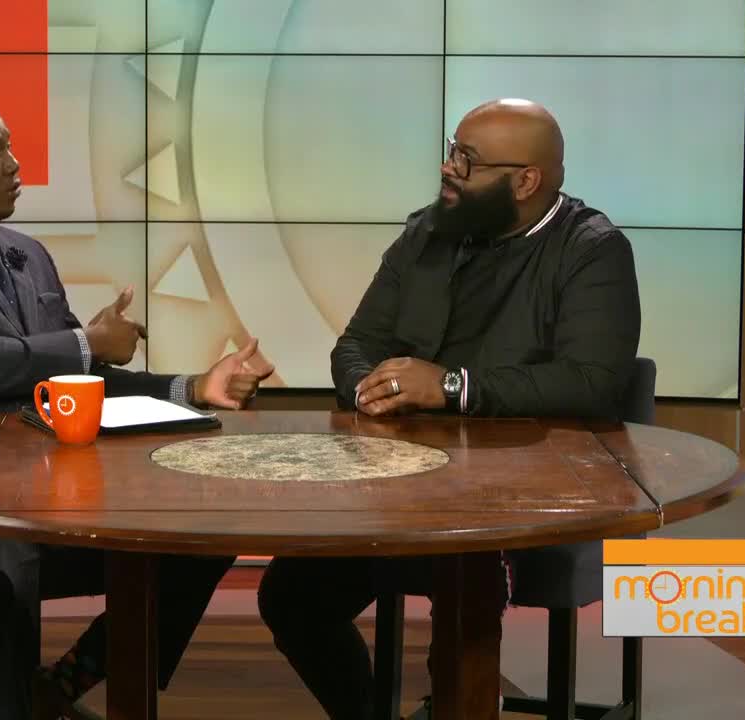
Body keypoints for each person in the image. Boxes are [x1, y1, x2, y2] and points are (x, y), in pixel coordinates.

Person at [0, 96, 274, 720]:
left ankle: (64, 684)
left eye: (10, 148)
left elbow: (78, 380)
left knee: (200, 539)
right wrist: (86, 341)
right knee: (0, 564)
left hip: (53, 488)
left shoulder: (27, 254)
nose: (13, 164)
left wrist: (192, 387)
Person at [256, 98, 641, 719]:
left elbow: (592, 383)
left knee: (467, 573)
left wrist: (454, 387)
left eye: (467, 160)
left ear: (525, 181)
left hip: (530, 490)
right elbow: (357, 344)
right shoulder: (427, 233)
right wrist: (368, 387)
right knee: (291, 595)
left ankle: (460, 704)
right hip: (403, 481)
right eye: (452, 150)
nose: (447, 168)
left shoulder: (591, 250)